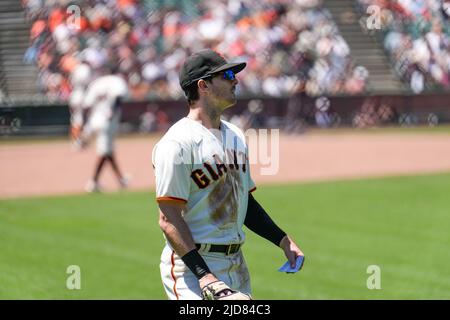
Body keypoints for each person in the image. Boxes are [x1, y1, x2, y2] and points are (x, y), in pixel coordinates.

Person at [152, 49, 304, 300]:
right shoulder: (177, 143)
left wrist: (283, 240)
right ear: (204, 86)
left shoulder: (235, 135)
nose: (235, 79)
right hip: (191, 268)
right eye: (227, 75)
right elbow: (168, 219)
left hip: (236, 264)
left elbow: (245, 203)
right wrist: (204, 276)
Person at [78, 67, 130, 193]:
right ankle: (93, 182)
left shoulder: (97, 82)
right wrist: (112, 111)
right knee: (104, 152)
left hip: (94, 121)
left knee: (108, 151)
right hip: (107, 121)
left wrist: (84, 125)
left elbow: (86, 106)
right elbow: (118, 97)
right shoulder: (117, 80)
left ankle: (121, 179)